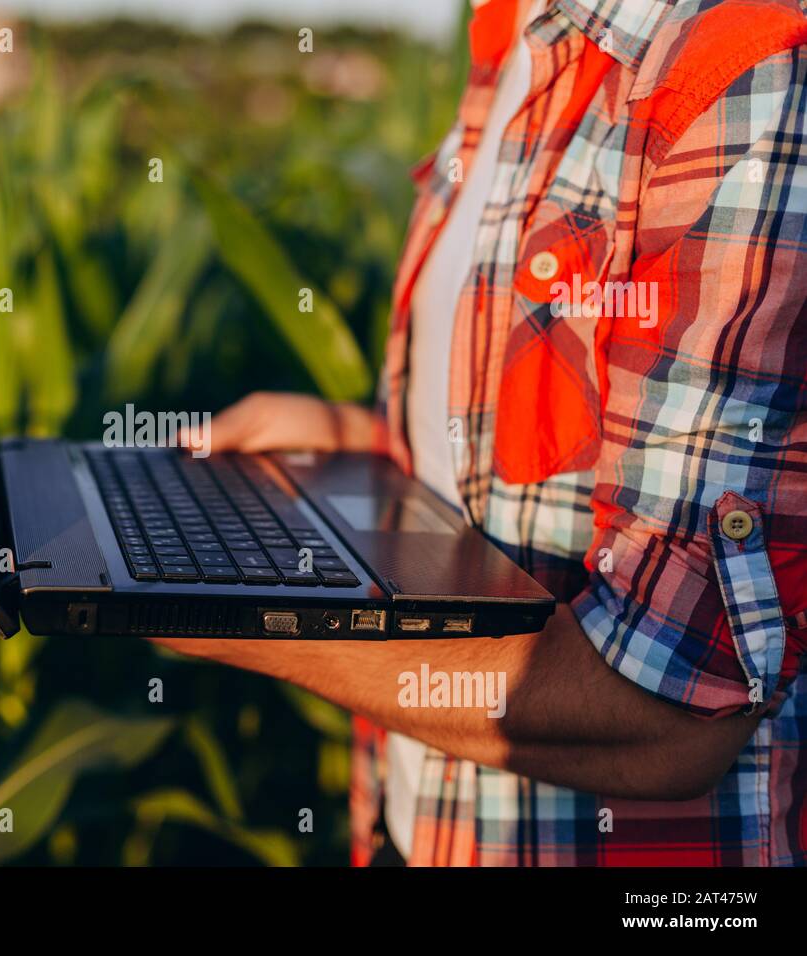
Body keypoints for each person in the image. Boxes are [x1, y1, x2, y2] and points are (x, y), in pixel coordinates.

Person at [157, 0, 807, 866]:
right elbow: (538, 436)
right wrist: (356, 442)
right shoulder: (515, 39)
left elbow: (681, 711)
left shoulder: (743, 62)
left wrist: (239, 610)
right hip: (417, 822)